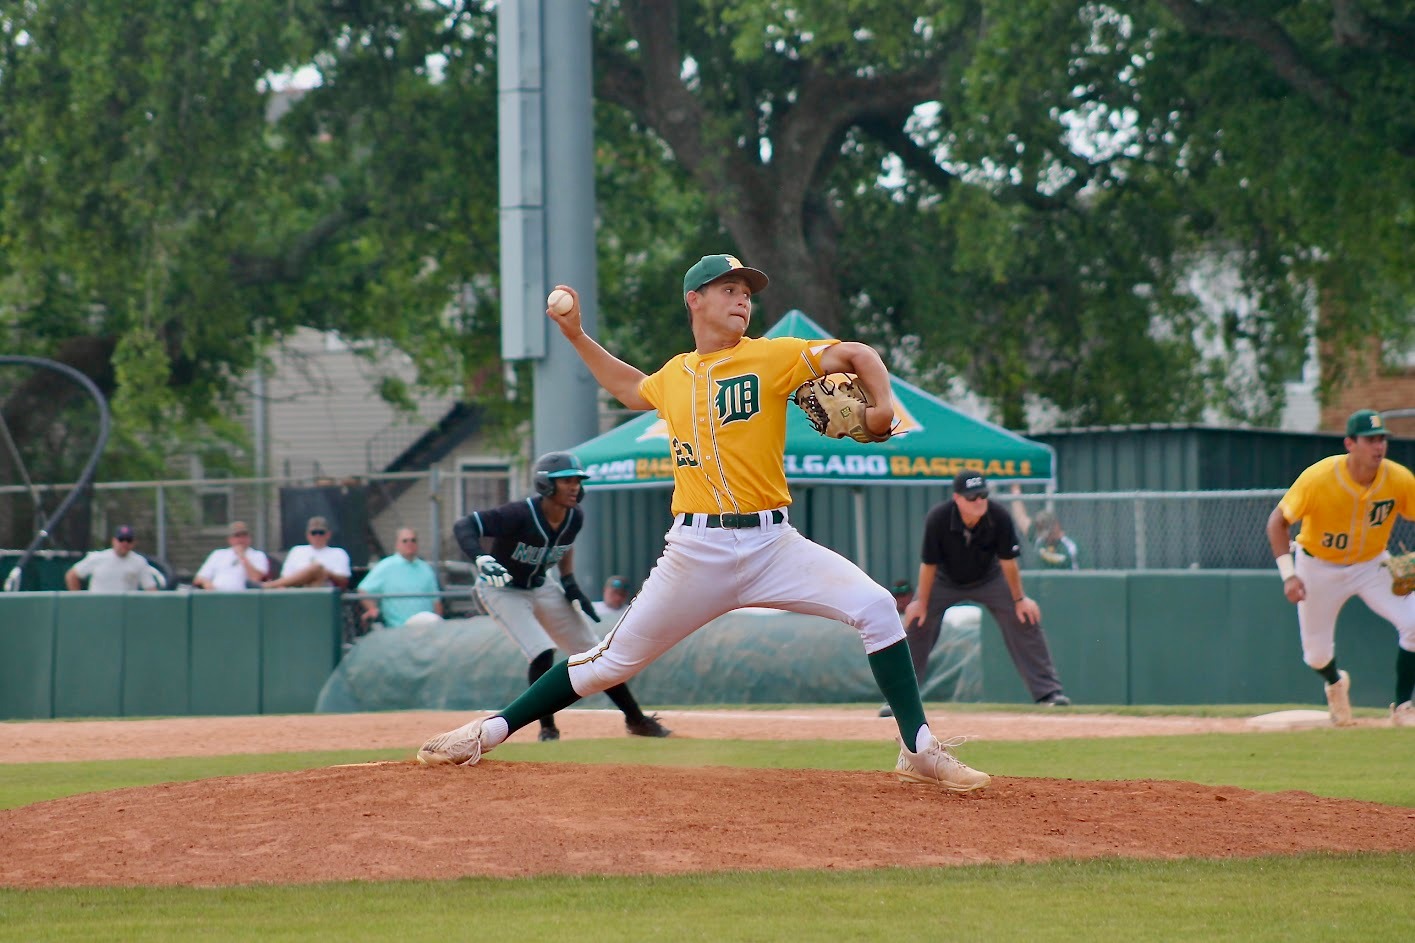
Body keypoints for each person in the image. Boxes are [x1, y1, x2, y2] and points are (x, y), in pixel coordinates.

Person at [417, 253, 990, 791]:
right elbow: (626, 387)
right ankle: (488, 732)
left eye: (747, 293)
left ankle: (917, 747)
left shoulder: (773, 355)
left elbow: (859, 354)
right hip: (696, 551)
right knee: (608, 662)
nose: (743, 301)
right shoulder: (675, 376)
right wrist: (574, 336)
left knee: (874, 606)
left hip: (774, 544)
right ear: (695, 300)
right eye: (729, 290)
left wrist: (883, 406)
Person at [450, 451, 671, 742]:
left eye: (577, 480)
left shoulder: (574, 517)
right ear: (545, 485)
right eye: (565, 481)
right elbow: (464, 526)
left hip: (542, 585)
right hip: (501, 588)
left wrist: (569, 582)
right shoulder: (519, 514)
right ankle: (547, 728)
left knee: (596, 652)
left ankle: (636, 720)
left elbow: (565, 546)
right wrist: (479, 557)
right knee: (541, 651)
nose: (574, 486)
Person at [1265, 408, 1415, 728]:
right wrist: (1289, 574)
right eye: (1370, 439)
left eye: (1382, 439)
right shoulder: (1319, 477)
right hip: (1318, 566)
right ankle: (1334, 682)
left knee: (1413, 622)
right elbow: (1277, 522)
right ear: (1350, 443)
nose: (1379, 446)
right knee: (1316, 655)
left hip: (1372, 564)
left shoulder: (1398, 478)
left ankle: (1403, 707)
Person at [904, 472, 1071, 707]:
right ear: (957, 499)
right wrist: (921, 602)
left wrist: (1020, 599)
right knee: (918, 623)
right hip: (945, 579)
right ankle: (901, 699)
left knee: (1023, 617)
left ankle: (1049, 694)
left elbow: (1008, 563)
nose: (979, 501)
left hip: (989, 578)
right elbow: (929, 565)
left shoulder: (999, 516)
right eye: (972, 497)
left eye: (982, 495)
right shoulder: (939, 518)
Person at [357, 527, 443, 628]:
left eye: (413, 540)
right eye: (405, 541)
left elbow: (436, 601)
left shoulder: (426, 568)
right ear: (397, 544)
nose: (409, 543)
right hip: (397, 630)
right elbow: (363, 590)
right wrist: (372, 609)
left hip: (426, 629)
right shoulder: (385, 566)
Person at [64, 525, 159, 592]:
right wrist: (78, 600)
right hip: (98, 609)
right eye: (121, 539)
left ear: (133, 543)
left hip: (126, 611)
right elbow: (72, 575)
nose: (124, 543)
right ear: (114, 541)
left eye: (128, 540)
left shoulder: (139, 562)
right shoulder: (98, 557)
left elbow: (151, 589)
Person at [265, 516, 352, 589]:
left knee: (317, 569)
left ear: (328, 534)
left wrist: (326, 572)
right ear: (308, 535)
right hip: (297, 591)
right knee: (315, 569)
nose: (317, 536)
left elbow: (344, 582)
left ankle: (268, 586)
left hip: (325, 592)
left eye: (321, 532)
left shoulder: (338, 553)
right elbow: (285, 577)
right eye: (314, 533)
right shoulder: (297, 551)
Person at [877, 579, 921, 718]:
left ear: (911, 595)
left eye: (905, 596)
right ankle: (894, 701)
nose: (902, 600)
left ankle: (905, 701)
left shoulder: (918, 612)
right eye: (898, 597)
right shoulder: (888, 616)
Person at [1008, 485, 1079, 570]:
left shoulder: (1071, 546)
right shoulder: (1039, 539)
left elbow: (1086, 572)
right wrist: (1015, 490)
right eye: (1043, 534)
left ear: (1056, 526)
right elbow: (1021, 517)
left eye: (1049, 534)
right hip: (1043, 583)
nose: (1046, 538)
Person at [192, 521, 271, 590]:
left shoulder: (258, 555)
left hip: (244, 598)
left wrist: (242, 556)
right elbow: (198, 579)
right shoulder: (218, 554)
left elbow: (256, 579)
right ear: (230, 539)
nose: (241, 539)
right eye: (237, 536)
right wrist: (206, 583)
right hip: (218, 596)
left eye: (244, 535)